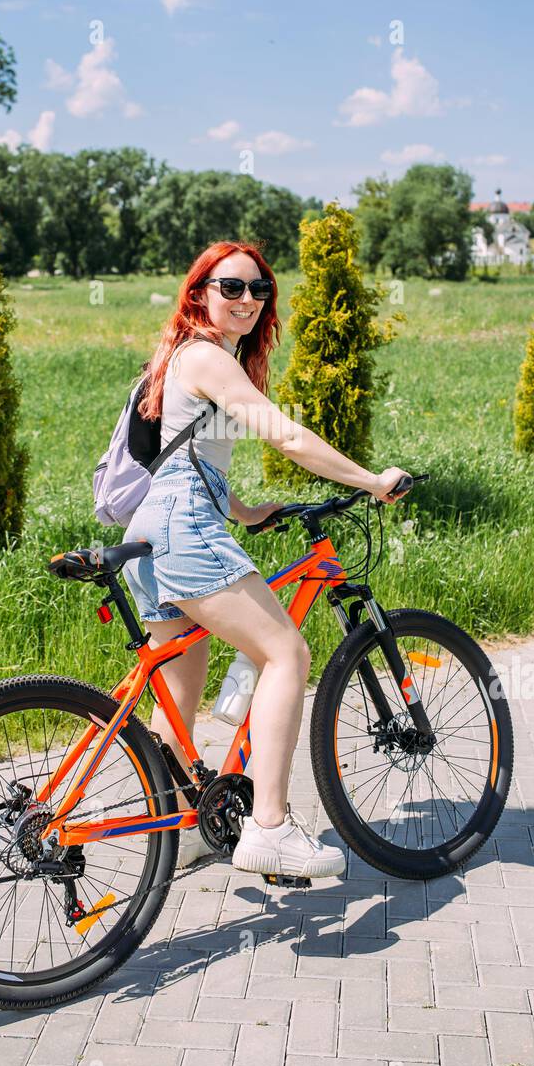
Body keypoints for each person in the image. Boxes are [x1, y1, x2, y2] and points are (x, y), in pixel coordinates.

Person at [121, 241, 410, 879]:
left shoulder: (184, 357)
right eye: (232, 288)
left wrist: (248, 511)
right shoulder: (207, 357)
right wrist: (369, 481)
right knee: (286, 653)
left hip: (150, 534)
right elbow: (285, 434)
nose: (247, 301)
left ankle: (186, 827)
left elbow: (185, 459)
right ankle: (270, 828)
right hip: (182, 533)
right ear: (199, 292)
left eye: (259, 291)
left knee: (177, 701)